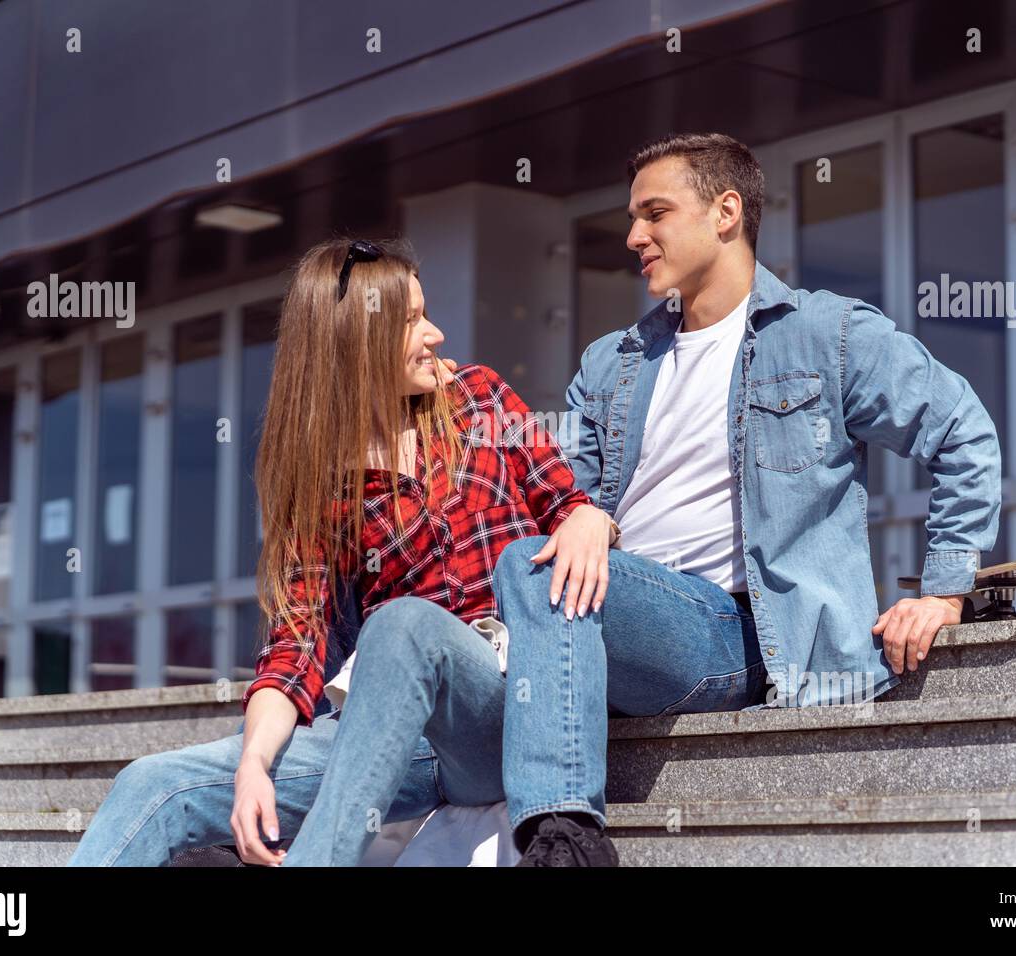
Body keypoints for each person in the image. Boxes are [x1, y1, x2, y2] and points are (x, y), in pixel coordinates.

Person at [491, 131, 1002, 866]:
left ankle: (564, 839)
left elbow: (963, 433)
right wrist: (584, 514)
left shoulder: (828, 334)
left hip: (749, 636)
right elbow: (561, 498)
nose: (635, 236)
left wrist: (946, 592)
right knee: (483, 608)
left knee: (533, 573)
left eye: (655, 213)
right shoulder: (611, 364)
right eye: (633, 217)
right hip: (623, 631)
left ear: (725, 212)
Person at [67, 236, 616, 866]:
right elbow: (295, 647)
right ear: (357, 342)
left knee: (404, 624)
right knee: (154, 786)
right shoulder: (323, 478)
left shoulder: (479, 398)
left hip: (498, 713)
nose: (435, 335)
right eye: (412, 321)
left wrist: (585, 518)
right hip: (388, 738)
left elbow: (566, 505)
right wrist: (252, 766)